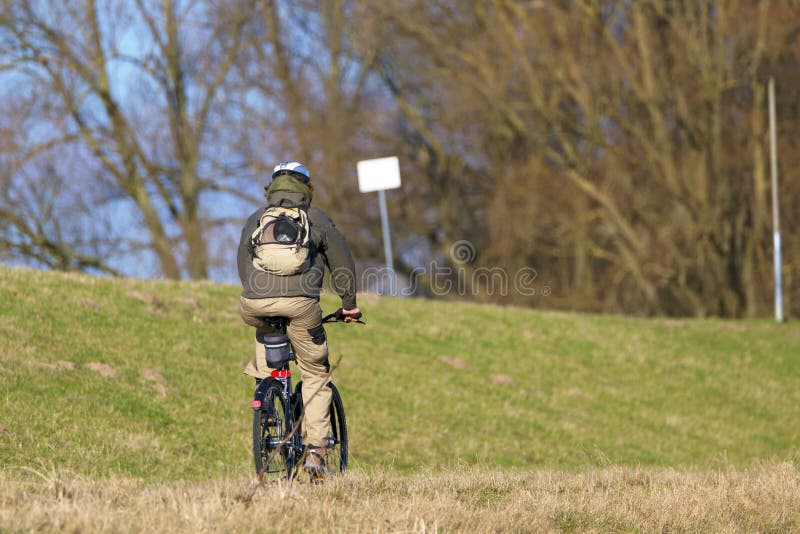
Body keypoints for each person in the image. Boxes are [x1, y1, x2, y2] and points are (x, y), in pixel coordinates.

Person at [237, 161, 360, 476]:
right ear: (306, 188)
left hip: (255, 303)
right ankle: (316, 452)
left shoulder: (256, 218)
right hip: (301, 305)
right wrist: (348, 304)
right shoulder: (316, 218)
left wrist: (257, 293)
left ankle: (268, 404)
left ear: (272, 188)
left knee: (269, 364)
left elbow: (242, 261)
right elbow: (341, 260)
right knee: (316, 373)